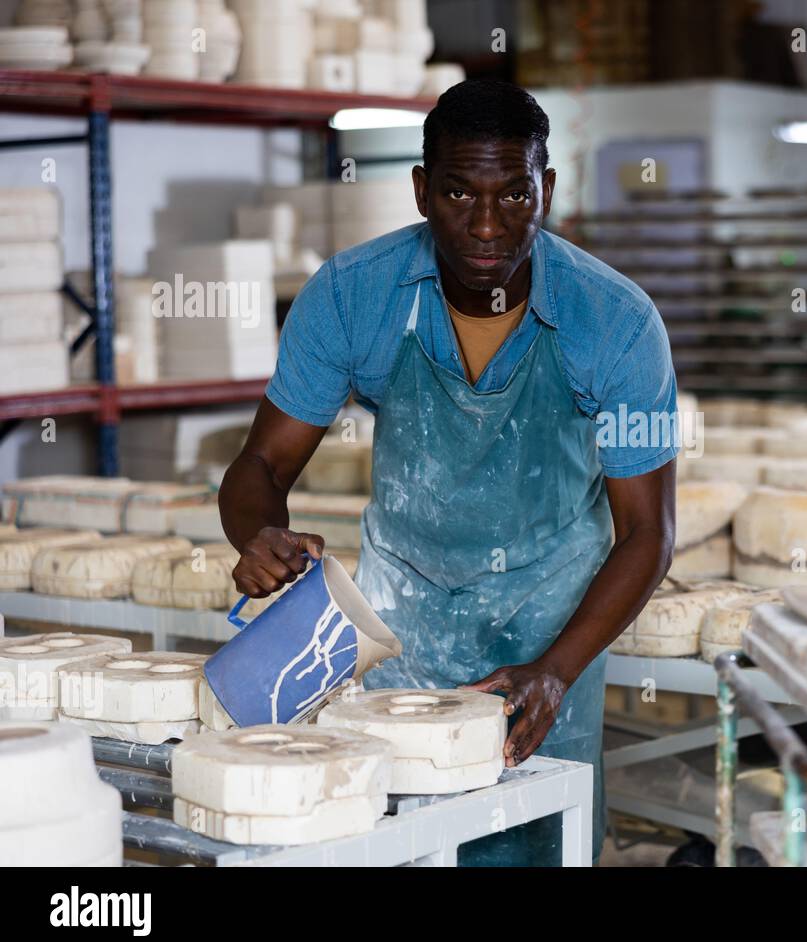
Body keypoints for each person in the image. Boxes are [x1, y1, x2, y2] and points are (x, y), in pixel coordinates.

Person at [217, 79, 679, 866]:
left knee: (537, 845)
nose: (489, 224)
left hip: (549, 634)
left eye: (514, 193)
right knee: (395, 842)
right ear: (422, 189)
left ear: (547, 189)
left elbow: (648, 533)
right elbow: (261, 461)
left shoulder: (617, 322)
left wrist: (555, 672)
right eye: (461, 191)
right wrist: (258, 532)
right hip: (401, 631)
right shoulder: (352, 295)